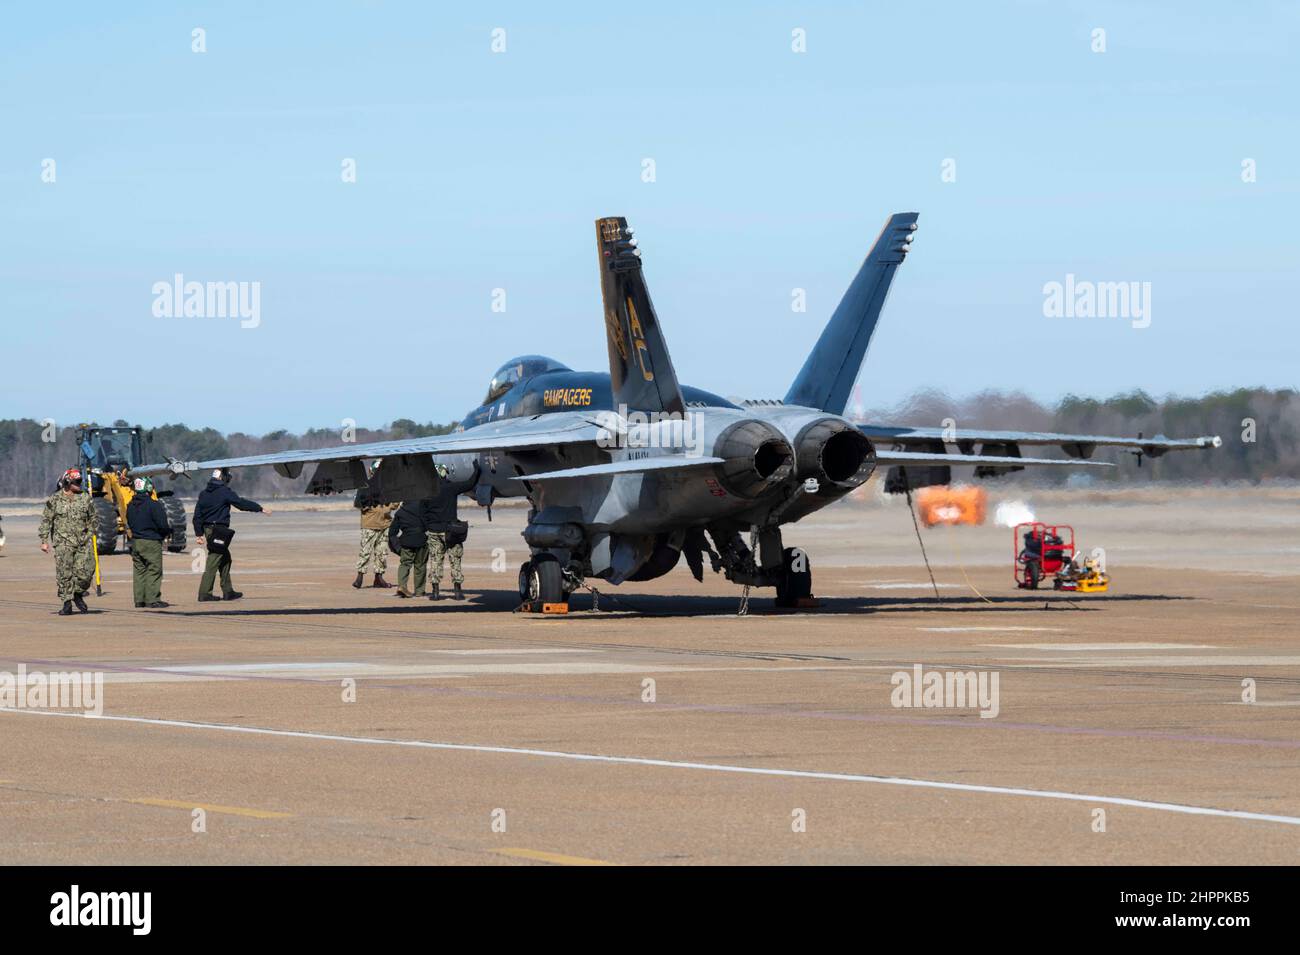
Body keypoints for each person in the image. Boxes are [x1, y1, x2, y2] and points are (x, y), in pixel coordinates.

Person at [192, 468, 272, 602]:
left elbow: (197, 515)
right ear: (222, 478)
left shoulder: (204, 493)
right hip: (218, 530)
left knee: (225, 559)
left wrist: (199, 534)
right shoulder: (224, 492)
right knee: (214, 559)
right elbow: (241, 503)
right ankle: (204, 593)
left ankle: (228, 591)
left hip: (209, 530)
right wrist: (260, 508)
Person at [38, 468, 97, 615]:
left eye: (80, 481)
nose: (79, 484)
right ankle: (66, 602)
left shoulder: (85, 498)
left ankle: (77, 593)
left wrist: (89, 533)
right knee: (65, 574)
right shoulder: (55, 499)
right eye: (76, 482)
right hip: (63, 542)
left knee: (87, 572)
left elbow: (94, 519)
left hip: (83, 542)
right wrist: (44, 540)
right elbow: (46, 520)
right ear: (67, 482)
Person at [422, 461, 479, 600]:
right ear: (442, 473)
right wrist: (477, 469)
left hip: (434, 531)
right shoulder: (451, 488)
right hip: (451, 531)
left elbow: (421, 514)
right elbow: (469, 483)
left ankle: (435, 592)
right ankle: (458, 592)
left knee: (435, 561)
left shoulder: (427, 492)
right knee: (455, 560)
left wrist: (428, 527)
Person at [126, 477, 171, 608]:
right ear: (149, 488)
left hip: (136, 541)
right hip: (151, 541)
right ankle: (153, 599)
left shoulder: (130, 505)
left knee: (139, 571)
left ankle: (139, 600)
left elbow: (129, 522)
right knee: (154, 570)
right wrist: (165, 534)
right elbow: (162, 525)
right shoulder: (154, 505)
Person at [352, 463, 396, 589]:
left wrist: (388, 507)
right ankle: (360, 576)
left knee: (381, 553)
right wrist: (369, 505)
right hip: (369, 525)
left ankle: (379, 577)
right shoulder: (364, 486)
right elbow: (358, 503)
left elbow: (395, 501)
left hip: (385, 524)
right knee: (365, 552)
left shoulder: (387, 487)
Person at [387, 500, 428, 598]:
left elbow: (392, 532)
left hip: (406, 542)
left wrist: (397, 547)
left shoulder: (400, 512)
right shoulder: (423, 508)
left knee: (405, 565)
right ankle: (419, 591)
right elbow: (427, 525)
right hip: (421, 540)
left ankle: (401, 586)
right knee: (420, 565)